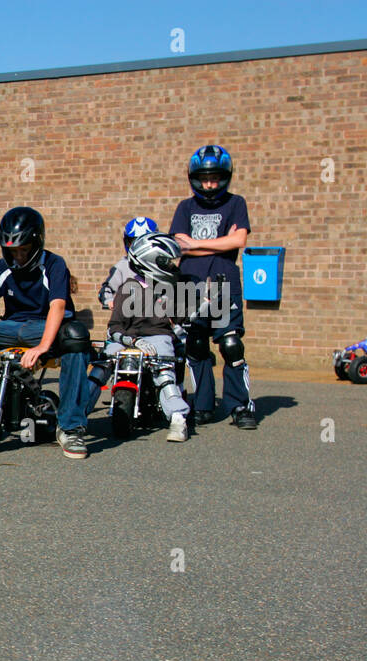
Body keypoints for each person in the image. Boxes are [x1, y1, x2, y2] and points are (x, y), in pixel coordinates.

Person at [0, 207, 97, 460]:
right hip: (12, 329)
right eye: (12, 251)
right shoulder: (2, 267)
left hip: (46, 330)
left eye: (24, 249)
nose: (18, 256)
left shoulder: (54, 264)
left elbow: (57, 306)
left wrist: (42, 347)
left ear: (37, 242)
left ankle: (70, 427)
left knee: (75, 334)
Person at [169, 145, 255, 429]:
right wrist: (217, 243)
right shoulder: (185, 207)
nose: (209, 184)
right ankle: (202, 404)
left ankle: (240, 405)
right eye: (204, 178)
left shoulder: (236, 203)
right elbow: (179, 245)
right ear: (194, 177)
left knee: (231, 345)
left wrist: (196, 244)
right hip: (190, 285)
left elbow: (238, 241)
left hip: (223, 284)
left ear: (225, 177)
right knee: (194, 344)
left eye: (215, 178)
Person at [99, 233, 191, 442]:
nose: (172, 266)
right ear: (151, 262)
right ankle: (77, 414)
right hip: (127, 339)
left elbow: (180, 318)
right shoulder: (128, 288)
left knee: (164, 367)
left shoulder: (171, 289)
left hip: (158, 337)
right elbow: (114, 326)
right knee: (102, 364)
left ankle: (177, 417)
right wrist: (129, 340)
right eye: (166, 262)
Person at [98, 217, 158, 309]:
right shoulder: (122, 266)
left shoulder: (161, 264)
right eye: (134, 242)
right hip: (130, 317)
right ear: (127, 243)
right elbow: (106, 288)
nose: (138, 247)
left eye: (143, 242)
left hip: (157, 317)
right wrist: (109, 300)